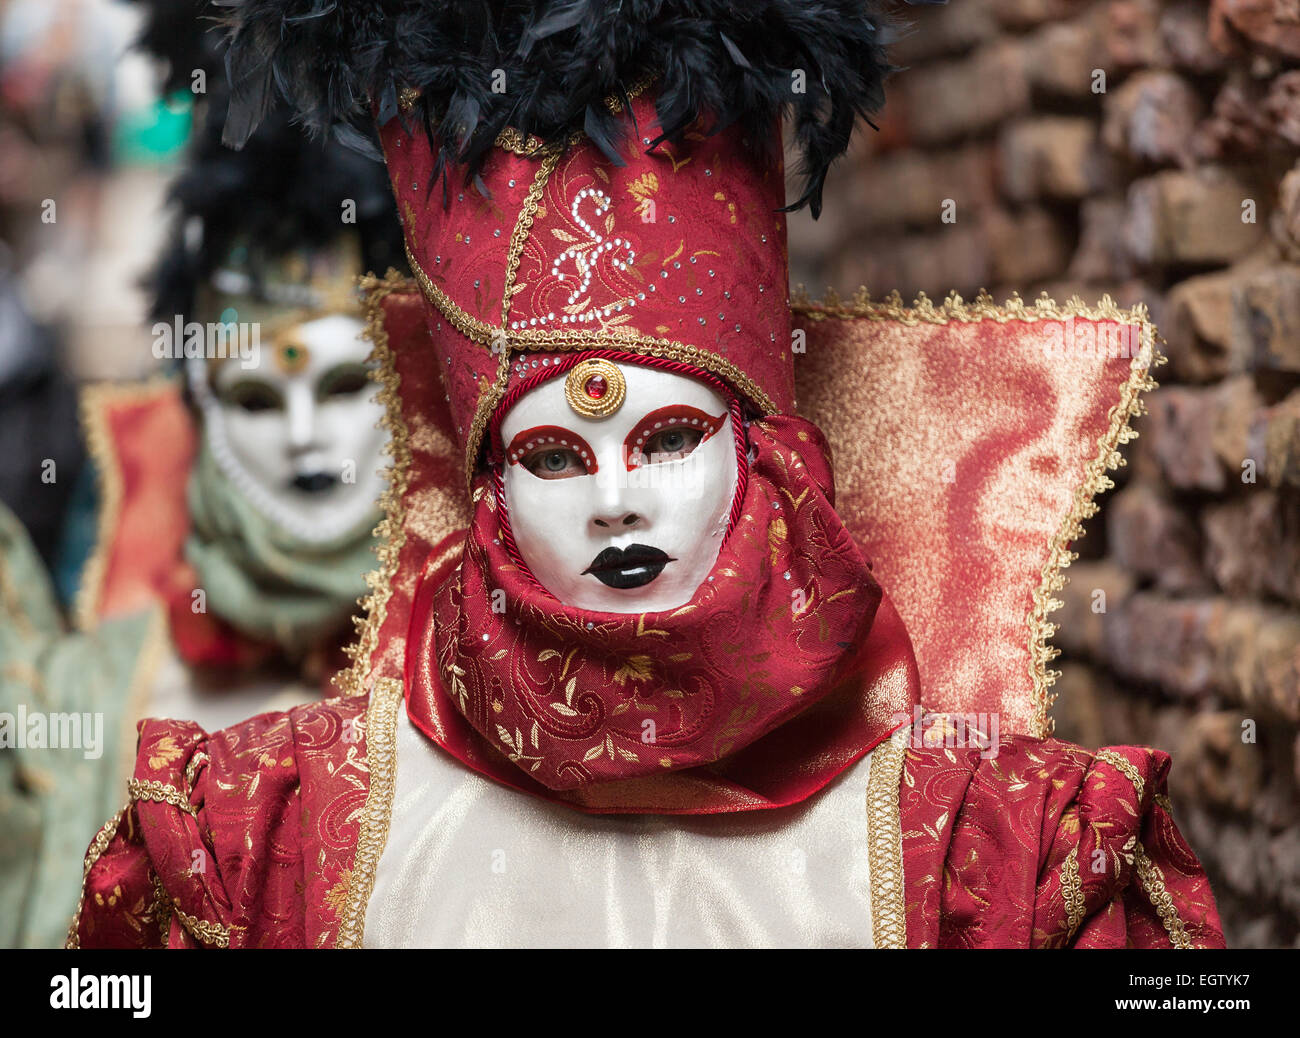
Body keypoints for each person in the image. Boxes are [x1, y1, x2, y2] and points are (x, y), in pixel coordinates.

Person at [67, 0, 1223, 949]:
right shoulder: (265, 837)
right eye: (552, 457)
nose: (615, 498)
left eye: (669, 439)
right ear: (487, 494)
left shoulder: (1000, 849)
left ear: (769, 458)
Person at [0, 1, 405, 948]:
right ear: (199, 408)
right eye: (257, 399)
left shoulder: (489, 671)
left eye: (345, 385)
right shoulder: (103, 679)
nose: (306, 436)